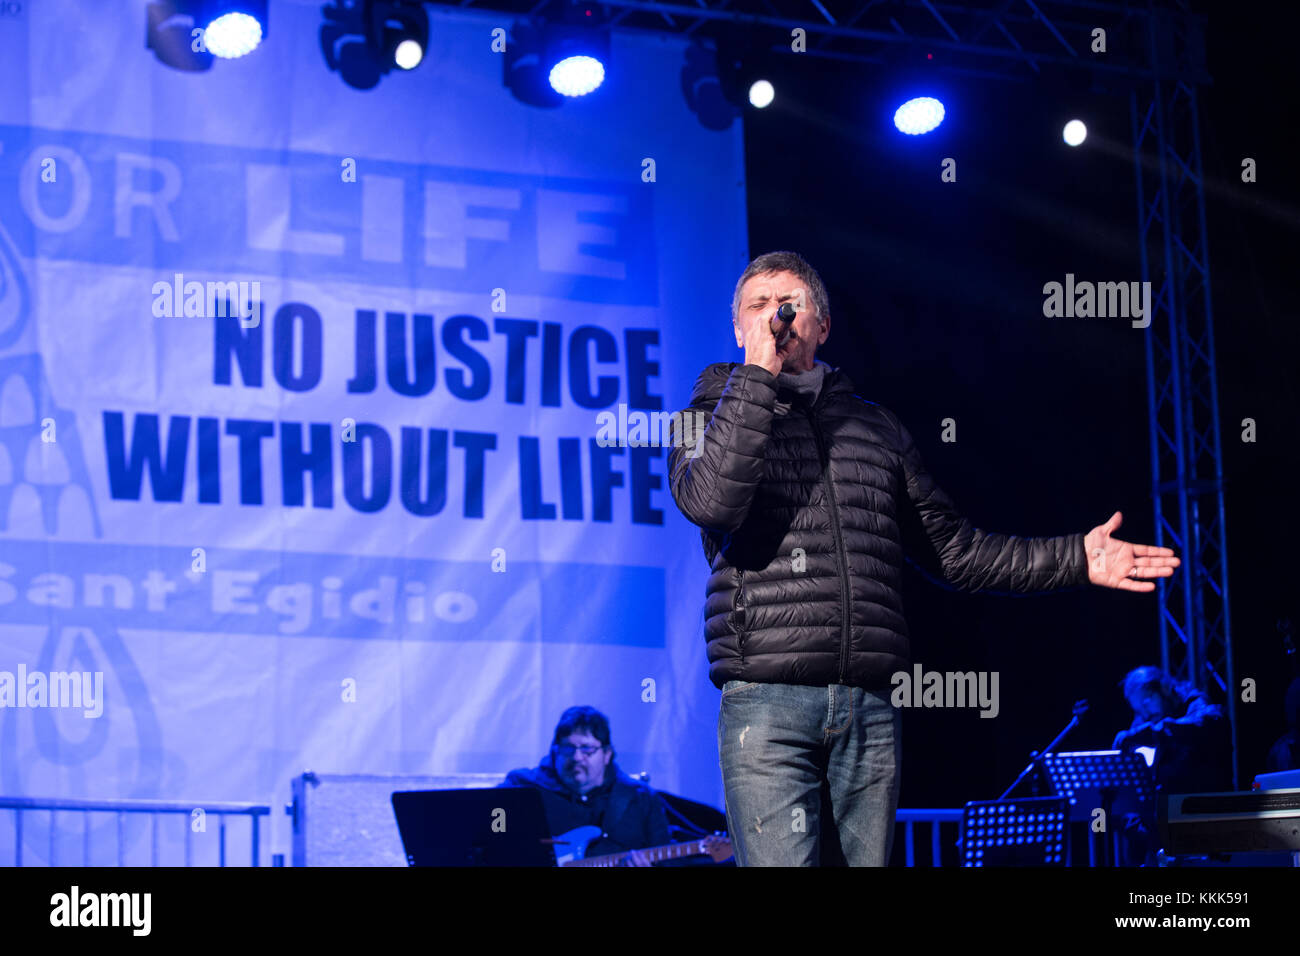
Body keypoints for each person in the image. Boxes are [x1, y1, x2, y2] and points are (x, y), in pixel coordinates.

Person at [667, 250, 1181, 866]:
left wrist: (1076, 558)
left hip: (869, 705)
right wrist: (754, 375)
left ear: (822, 326)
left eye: (791, 305)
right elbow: (710, 501)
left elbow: (958, 552)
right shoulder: (703, 411)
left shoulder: (874, 428)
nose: (776, 317)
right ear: (738, 328)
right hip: (766, 704)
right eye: (759, 307)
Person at [501, 706, 672, 866]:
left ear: (607, 754)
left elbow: (667, 860)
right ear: (554, 751)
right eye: (568, 748)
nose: (576, 757)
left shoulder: (640, 797)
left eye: (587, 749)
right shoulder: (522, 788)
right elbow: (489, 833)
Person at [1111, 665, 1232, 865]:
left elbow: (1203, 724)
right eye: (1138, 709)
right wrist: (1136, 827)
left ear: (1165, 688)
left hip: (1205, 837)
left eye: (1147, 700)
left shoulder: (1199, 707)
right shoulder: (1145, 721)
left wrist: (1139, 735)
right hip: (1163, 843)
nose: (1145, 712)